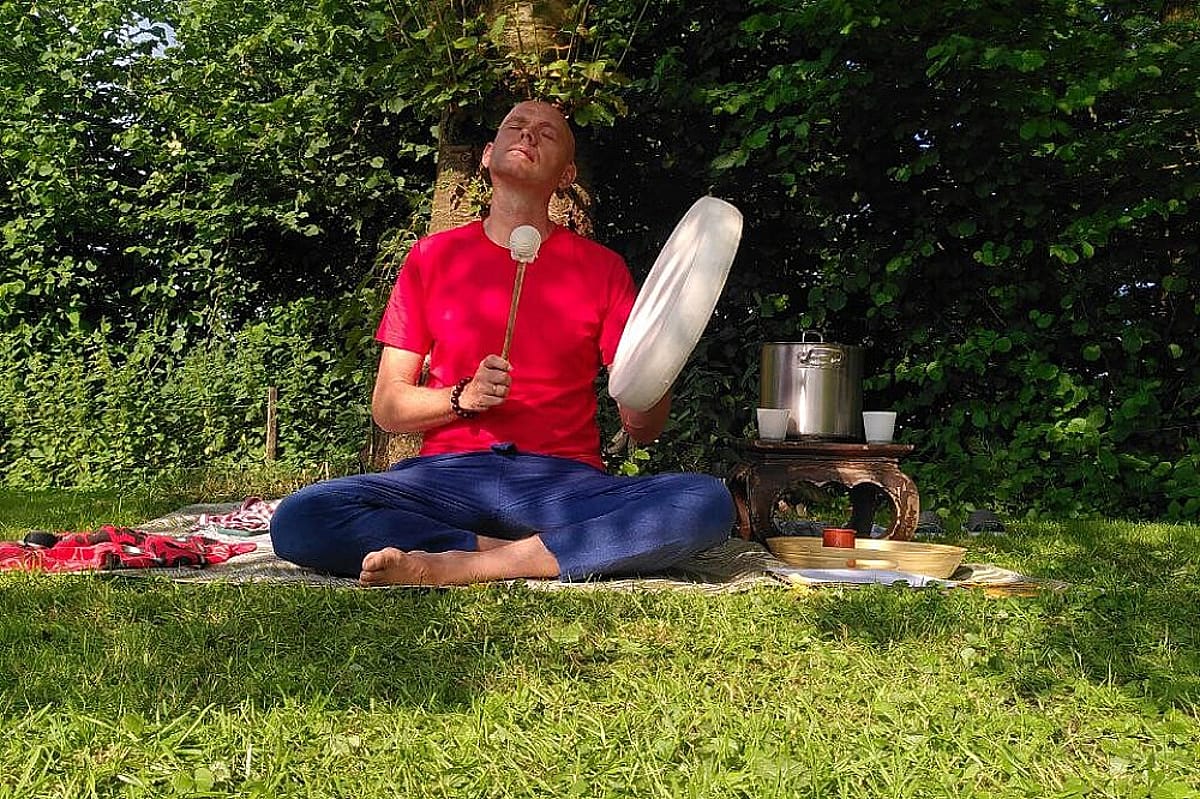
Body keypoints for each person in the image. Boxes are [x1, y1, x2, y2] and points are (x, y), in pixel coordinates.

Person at [270, 100, 734, 586]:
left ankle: (460, 564)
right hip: (444, 479)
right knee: (303, 514)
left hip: (560, 482)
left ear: (567, 174)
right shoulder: (432, 257)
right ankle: (516, 555)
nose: (529, 136)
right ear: (488, 155)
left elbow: (642, 426)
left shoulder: (602, 269)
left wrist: (658, 368)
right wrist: (461, 398)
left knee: (705, 502)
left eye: (547, 133)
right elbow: (388, 407)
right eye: (516, 126)